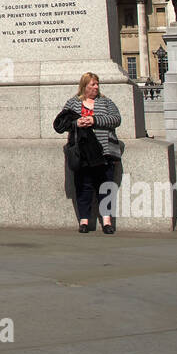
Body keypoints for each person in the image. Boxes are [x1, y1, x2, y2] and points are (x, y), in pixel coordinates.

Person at [54, 71, 123, 233]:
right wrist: (77, 122)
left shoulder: (106, 102)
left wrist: (94, 120)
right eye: (93, 84)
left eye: (97, 84)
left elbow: (116, 119)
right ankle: (84, 221)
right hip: (82, 152)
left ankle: (107, 221)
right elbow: (61, 123)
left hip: (104, 151)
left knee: (105, 186)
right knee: (83, 186)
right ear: (84, 86)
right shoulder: (73, 103)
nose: (96, 87)